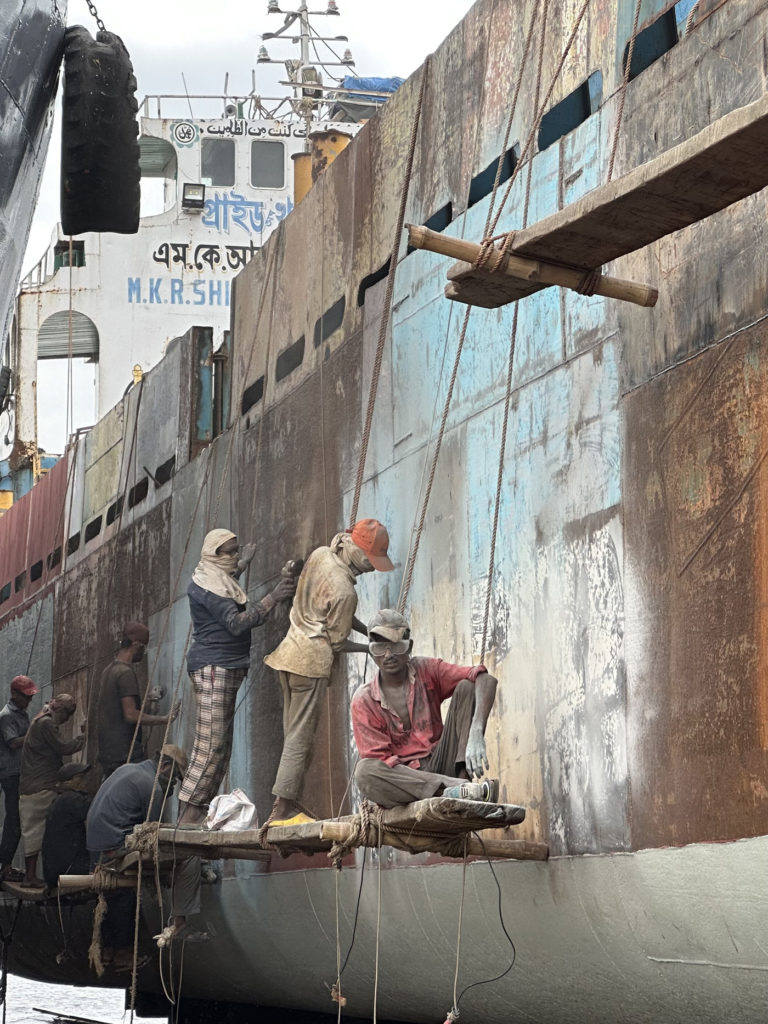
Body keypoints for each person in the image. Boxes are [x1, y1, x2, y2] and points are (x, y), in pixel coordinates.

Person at [264, 519, 395, 827]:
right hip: (310, 665)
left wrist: (370, 631)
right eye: (370, 561)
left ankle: (288, 805)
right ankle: (282, 811)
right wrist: (370, 649)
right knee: (300, 740)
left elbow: (331, 610)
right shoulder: (346, 592)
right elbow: (336, 642)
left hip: (287, 656)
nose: (371, 569)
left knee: (293, 738)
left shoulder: (322, 554)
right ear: (357, 551)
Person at [177, 529, 296, 826]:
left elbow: (228, 586)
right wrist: (273, 598)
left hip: (225, 667)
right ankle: (189, 815)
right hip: (214, 668)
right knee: (211, 744)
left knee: (220, 745)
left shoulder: (214, 577)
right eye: (228, 552)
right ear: (213, 554)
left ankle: (195, 811)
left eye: (235, 550)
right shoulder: (205, 586)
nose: (233, 557)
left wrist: (243, 562)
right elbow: (235, 622)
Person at [351, 609, 499, 808]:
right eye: (380, 648)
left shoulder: (427, 669)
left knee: (467, 687)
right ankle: (453, 789)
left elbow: (484, 678)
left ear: (409, 646)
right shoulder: (364, 700)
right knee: (365, 771)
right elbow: (383, 763)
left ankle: (463, 789)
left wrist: (476, 731)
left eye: (396, 646)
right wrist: (436, 783)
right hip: (407, 784)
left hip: (442, 765)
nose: (388, 655)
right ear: (371, 650)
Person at [86, 745, 198, 968]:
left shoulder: (128, 769)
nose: (173, 784)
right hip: (114, 843)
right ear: (164, 766)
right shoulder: (153, 788)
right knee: (128, 894)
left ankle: (108, 951)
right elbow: (153, 836)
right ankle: (125, 950)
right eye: (174, 777)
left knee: (113, 895)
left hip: (95, 843)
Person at [19, 693, 85, 887]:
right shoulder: (46, 724)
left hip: (34, 784)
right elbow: (63, 747)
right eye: (67, 715)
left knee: (34, 832)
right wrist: (83, 738)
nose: (66, 720)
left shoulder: (41, 717)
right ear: (61, 710)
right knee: (38, 833)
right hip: (39, 785)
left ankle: (33, 876)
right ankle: (31, 877)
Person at [97, 621, 177, 778]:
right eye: (144, 647)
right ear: (137, 645)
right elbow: (131, 715)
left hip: (108, 753)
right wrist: (164, 719)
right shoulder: (126, 673)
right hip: (126, 753)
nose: (144, 652)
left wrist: (144, 704)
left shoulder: (108, 671)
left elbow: (117, 709)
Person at [0, 675, 38, 881]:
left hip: (21, 772)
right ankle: (5, 866)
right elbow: (13, 742)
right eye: (26, 696)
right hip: (11, 774)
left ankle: (6, 865)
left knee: (18, 820)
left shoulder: (22, 713)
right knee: (13, 820)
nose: (29, 700)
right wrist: (37, 729)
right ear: (14, 694)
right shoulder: (6, 716)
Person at [41, 762, 99, 890]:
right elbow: (98, 808)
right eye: (80, 777)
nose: (85, 781)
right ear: (68, 782)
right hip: (67, 870)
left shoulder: (60, 800)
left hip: (55, 871)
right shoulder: (70, 800)